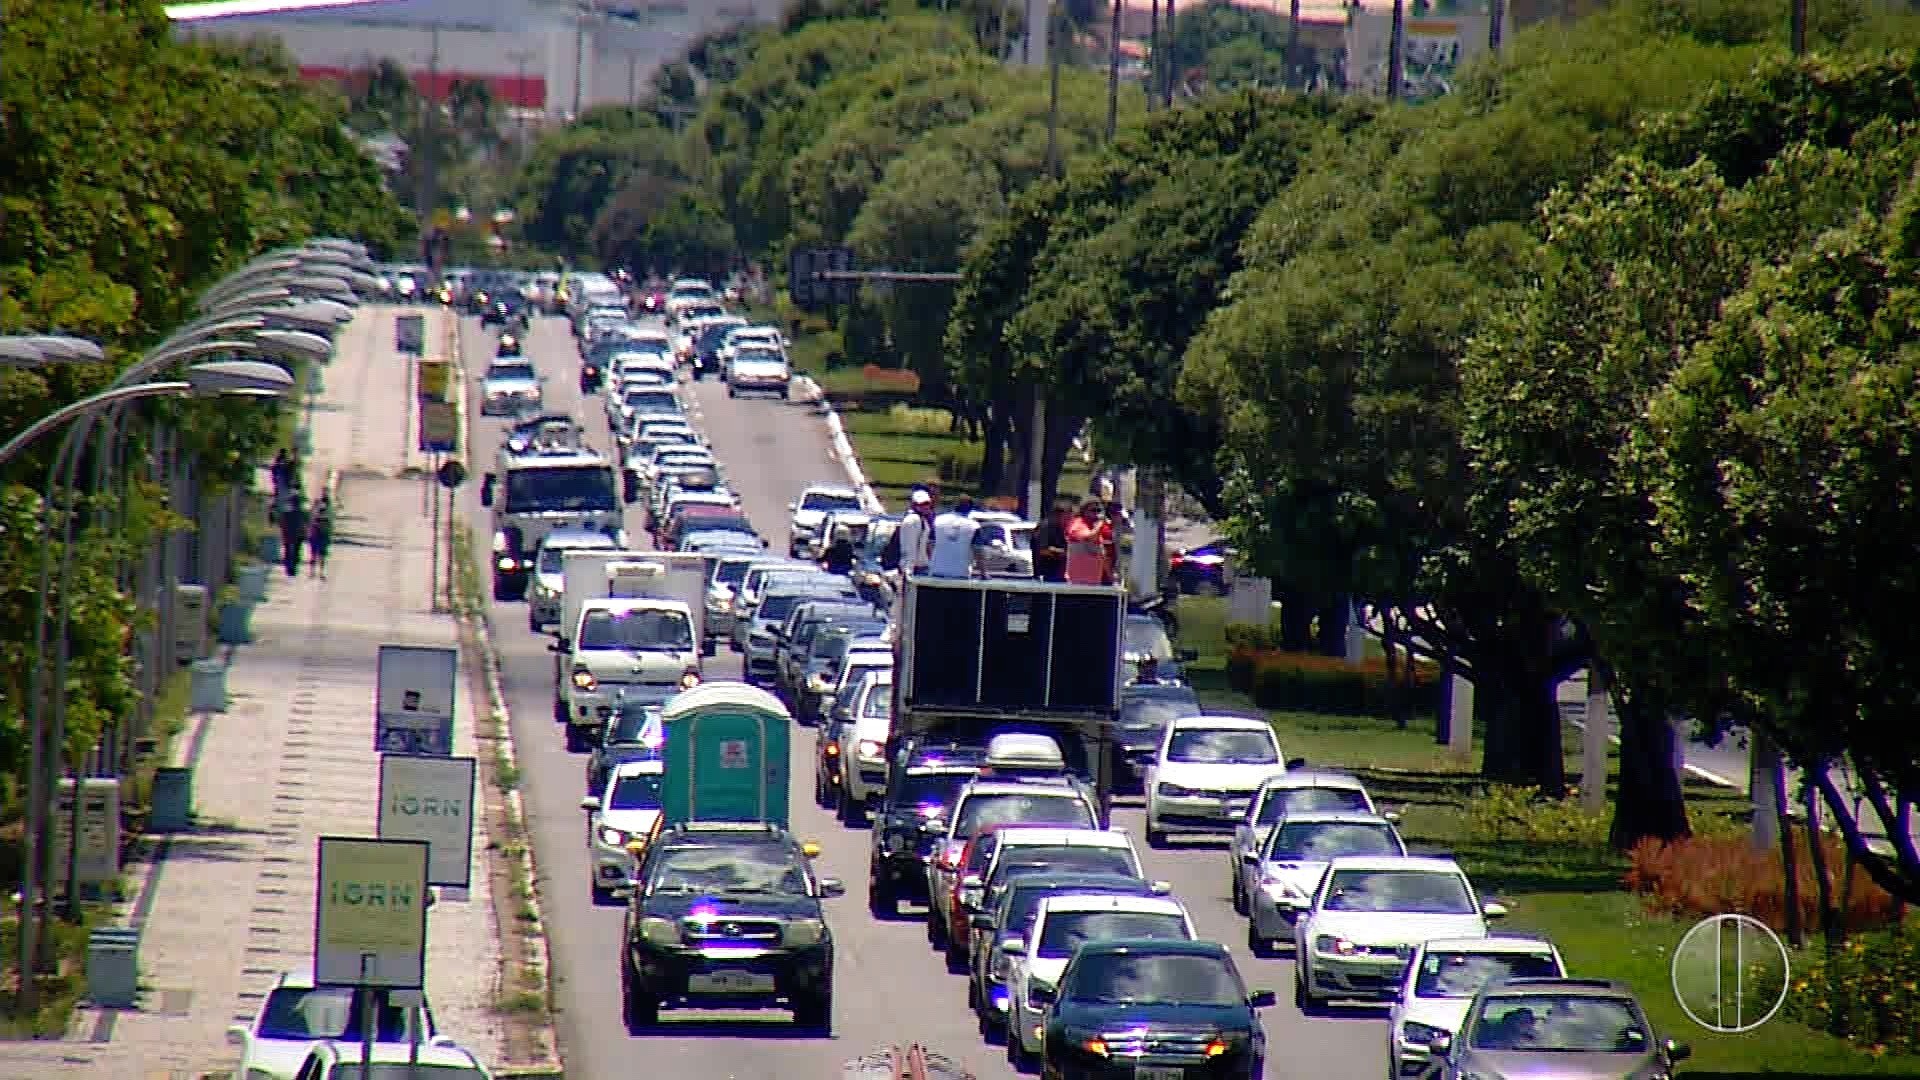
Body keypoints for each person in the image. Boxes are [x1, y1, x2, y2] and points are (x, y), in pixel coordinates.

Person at [927, 495, 984, 578]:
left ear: (954, 506)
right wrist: (983, 573)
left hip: (936, 572)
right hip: (960, 574)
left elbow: (929, 544)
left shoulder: (938, 520)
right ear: (971, 508)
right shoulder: (973, 526)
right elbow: (978, 551)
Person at [1064, 498, 1112, 585]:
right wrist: (1100, 523)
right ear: (1084, 511)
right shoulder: (1078, 524)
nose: (1097, 514)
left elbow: (1102, 555)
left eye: (1099, 510)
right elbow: (1089, 538)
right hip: (1076, 583)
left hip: (1094, 582)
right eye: (1094, 510)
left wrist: (1111, 577)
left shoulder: (1095, 529)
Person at [1031, 496, 1072, 582]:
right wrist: (1064, 553)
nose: (1070, 517)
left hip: (1059, 573)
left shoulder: (1061, 528)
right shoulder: (1046, 526)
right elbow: (1043, 550)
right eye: (1069, 513)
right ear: (1060, 513)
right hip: (1047, 575)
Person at [278, 490, 311, 578]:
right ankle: (293, 568)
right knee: (296, 551)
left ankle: (289, 568)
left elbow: (281, 522)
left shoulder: (287, 511)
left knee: (288, 550)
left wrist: (283, 530)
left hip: (288, 534)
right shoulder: (303, 511)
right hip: (298, 534)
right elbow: (307, 522)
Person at [307, 493, 336, 579]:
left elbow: (311, 522)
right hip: (322, 536)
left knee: (314, 555)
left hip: (316, 536)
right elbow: (330, 526)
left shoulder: (316, 511)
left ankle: (313, 572)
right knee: (321, 556)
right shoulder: (329, 512)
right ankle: (320, 573)